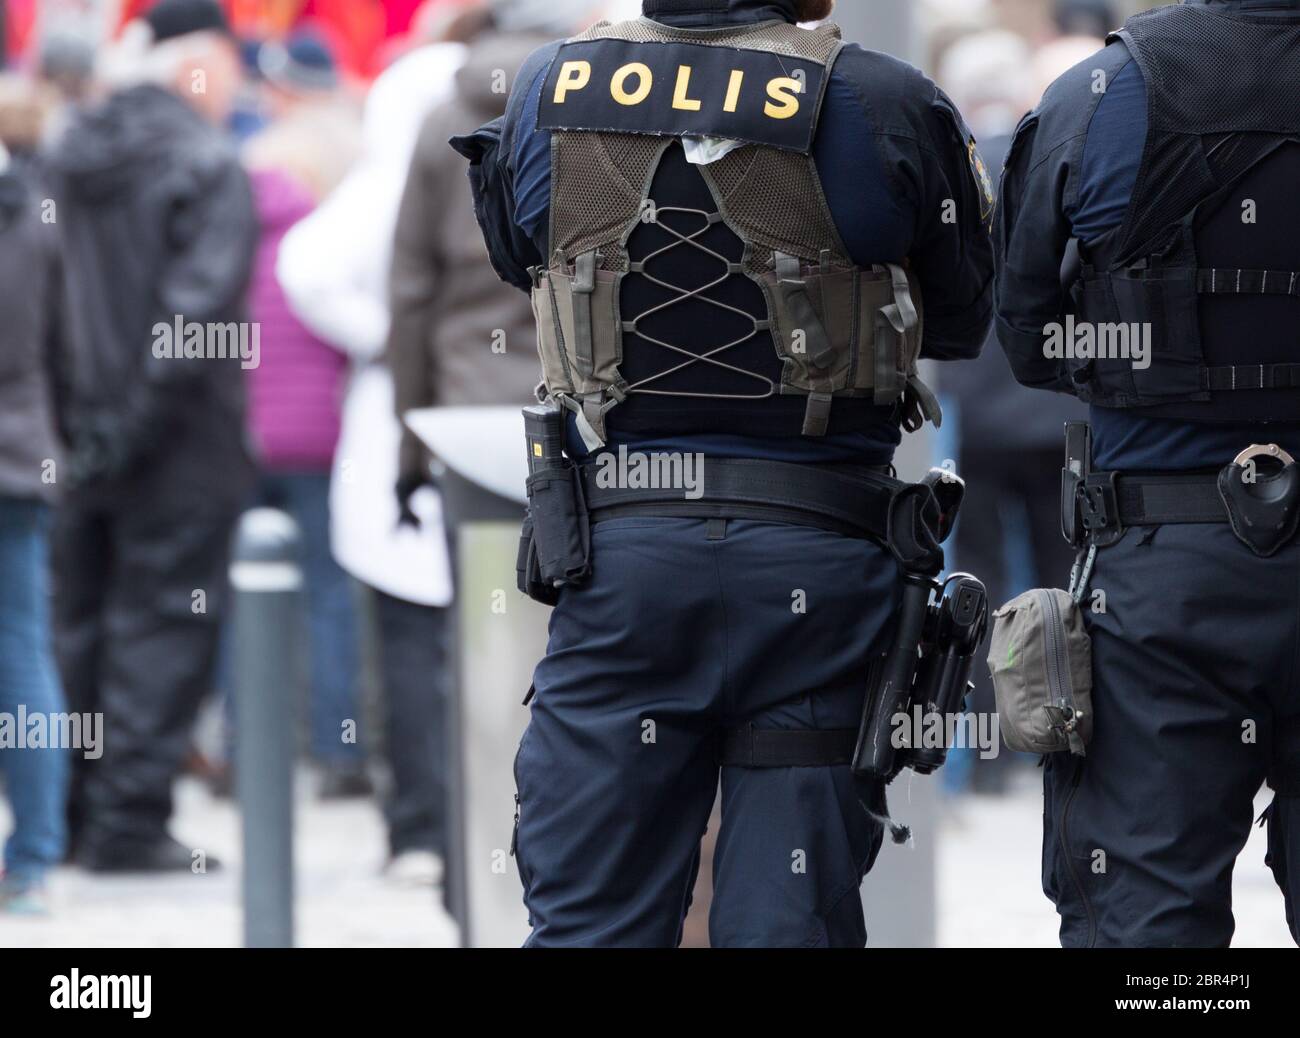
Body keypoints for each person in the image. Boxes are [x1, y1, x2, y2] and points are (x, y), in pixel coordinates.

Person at [456, 0, 994, 946]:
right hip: (820, 570)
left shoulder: (552, 85)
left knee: (590, 920)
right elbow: (960, 319)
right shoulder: (882, 96)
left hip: (623, 562)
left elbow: (518, 257)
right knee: (787, 922)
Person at [995, 0, 1300, 947]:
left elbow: (1028, 336)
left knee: (1145, 928)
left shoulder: (1101, 90)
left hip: (1160, 570)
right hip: (1159, 564)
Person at [47, 0, 258, 872]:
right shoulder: (205, 163)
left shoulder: (66, 152)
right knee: (163, 625)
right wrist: (131, 422)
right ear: (199, 62)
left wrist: (84, 422)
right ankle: (126, 823)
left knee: (78, 622)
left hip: (72, 433)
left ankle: (66, 813)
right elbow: (195, 311)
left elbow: (38, 294)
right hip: (177, 440)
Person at [275, 23, 466, 885]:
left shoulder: (392, 182)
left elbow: (307, 268)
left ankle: (425, 826)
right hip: (471, 432)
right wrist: (391, 340)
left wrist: (388, 342)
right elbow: (307, 268)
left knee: (413, 640)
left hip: (412, 430)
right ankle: (451, 821)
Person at [239, 50, 369, 798]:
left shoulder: (241, 179)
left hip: (245, 428)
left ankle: (242, 743)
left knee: (244, 587)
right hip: (324, 427)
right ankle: (339, 749)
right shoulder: (348, 172)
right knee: (328, 590)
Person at [0, 79, 68, 914]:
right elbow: (70, 341)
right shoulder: (36, 212)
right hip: (19, 452)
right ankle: (39, 855)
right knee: (23, 652)